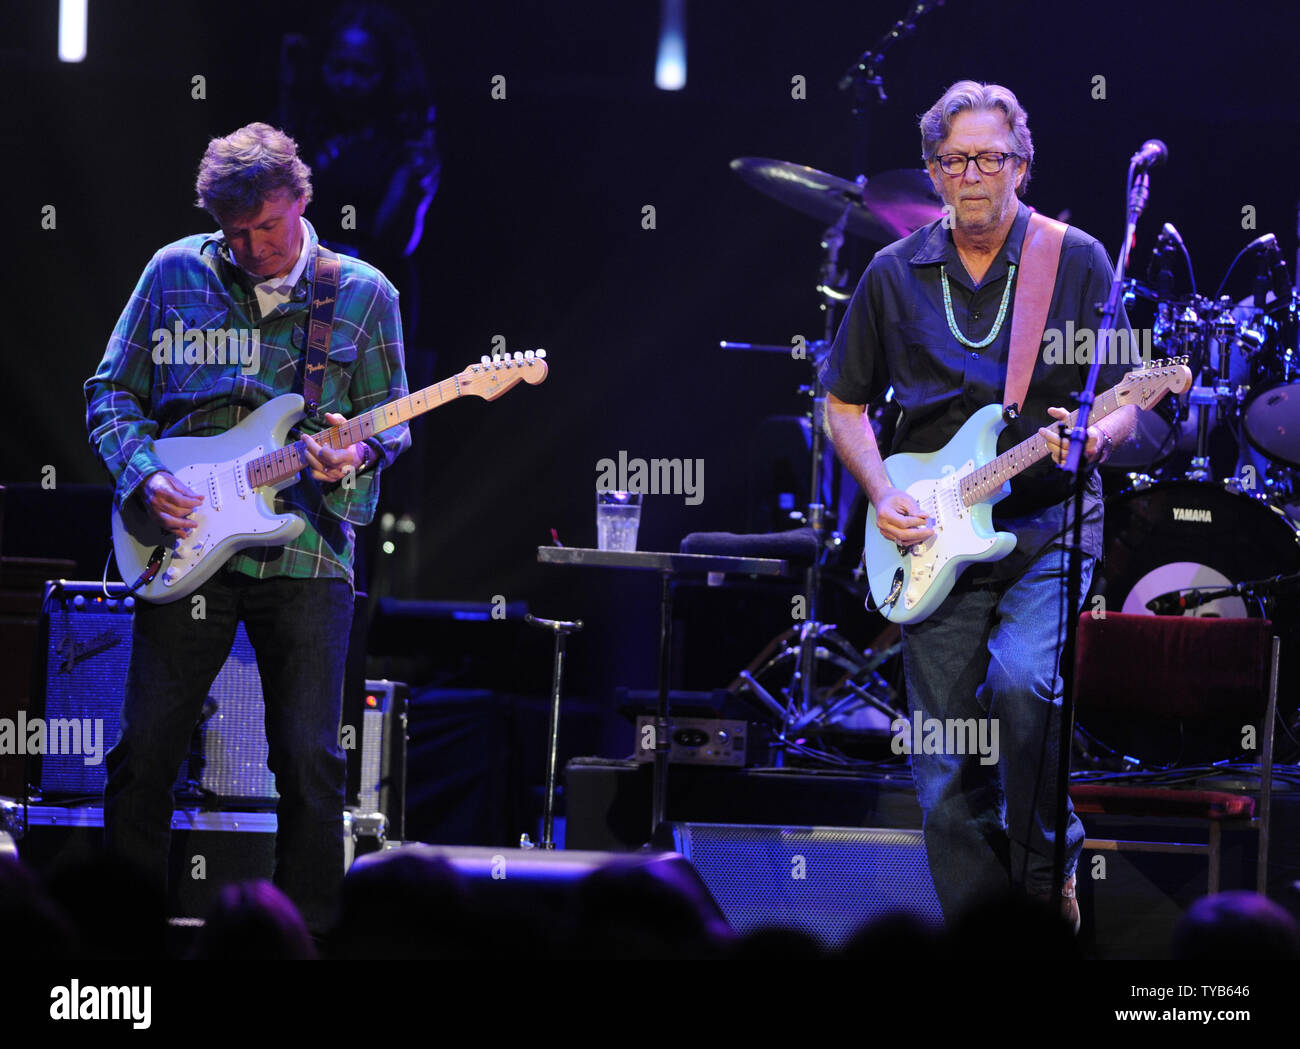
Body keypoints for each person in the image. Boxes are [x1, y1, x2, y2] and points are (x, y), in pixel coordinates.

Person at [821, 81, 1139, 925]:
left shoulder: (1075, 260)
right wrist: (882, 492)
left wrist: (1100, 437)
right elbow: (842, 404)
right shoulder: (894, 274)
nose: (973, 172)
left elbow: (1136, 398)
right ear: (932, 172)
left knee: (1026, 684)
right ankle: (982, 938)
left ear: (1022, 167)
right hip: (929, 534)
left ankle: (1045, 876)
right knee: (944, 778)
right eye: (954, 158)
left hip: (1045, 522)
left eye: (991, 157)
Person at [84, 122, 410, 935]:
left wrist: (352, 456)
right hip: (181, 542)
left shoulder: (365, 294)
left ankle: (299, 946)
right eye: (234, 233)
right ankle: (121, 954)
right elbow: (109, 392)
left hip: (304, 552)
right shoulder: (173, 272)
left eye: (267, 226)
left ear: (302, 201)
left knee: (309, 762)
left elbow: (389, 426)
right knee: (144, 755)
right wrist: (144, 475)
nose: (252, 246)